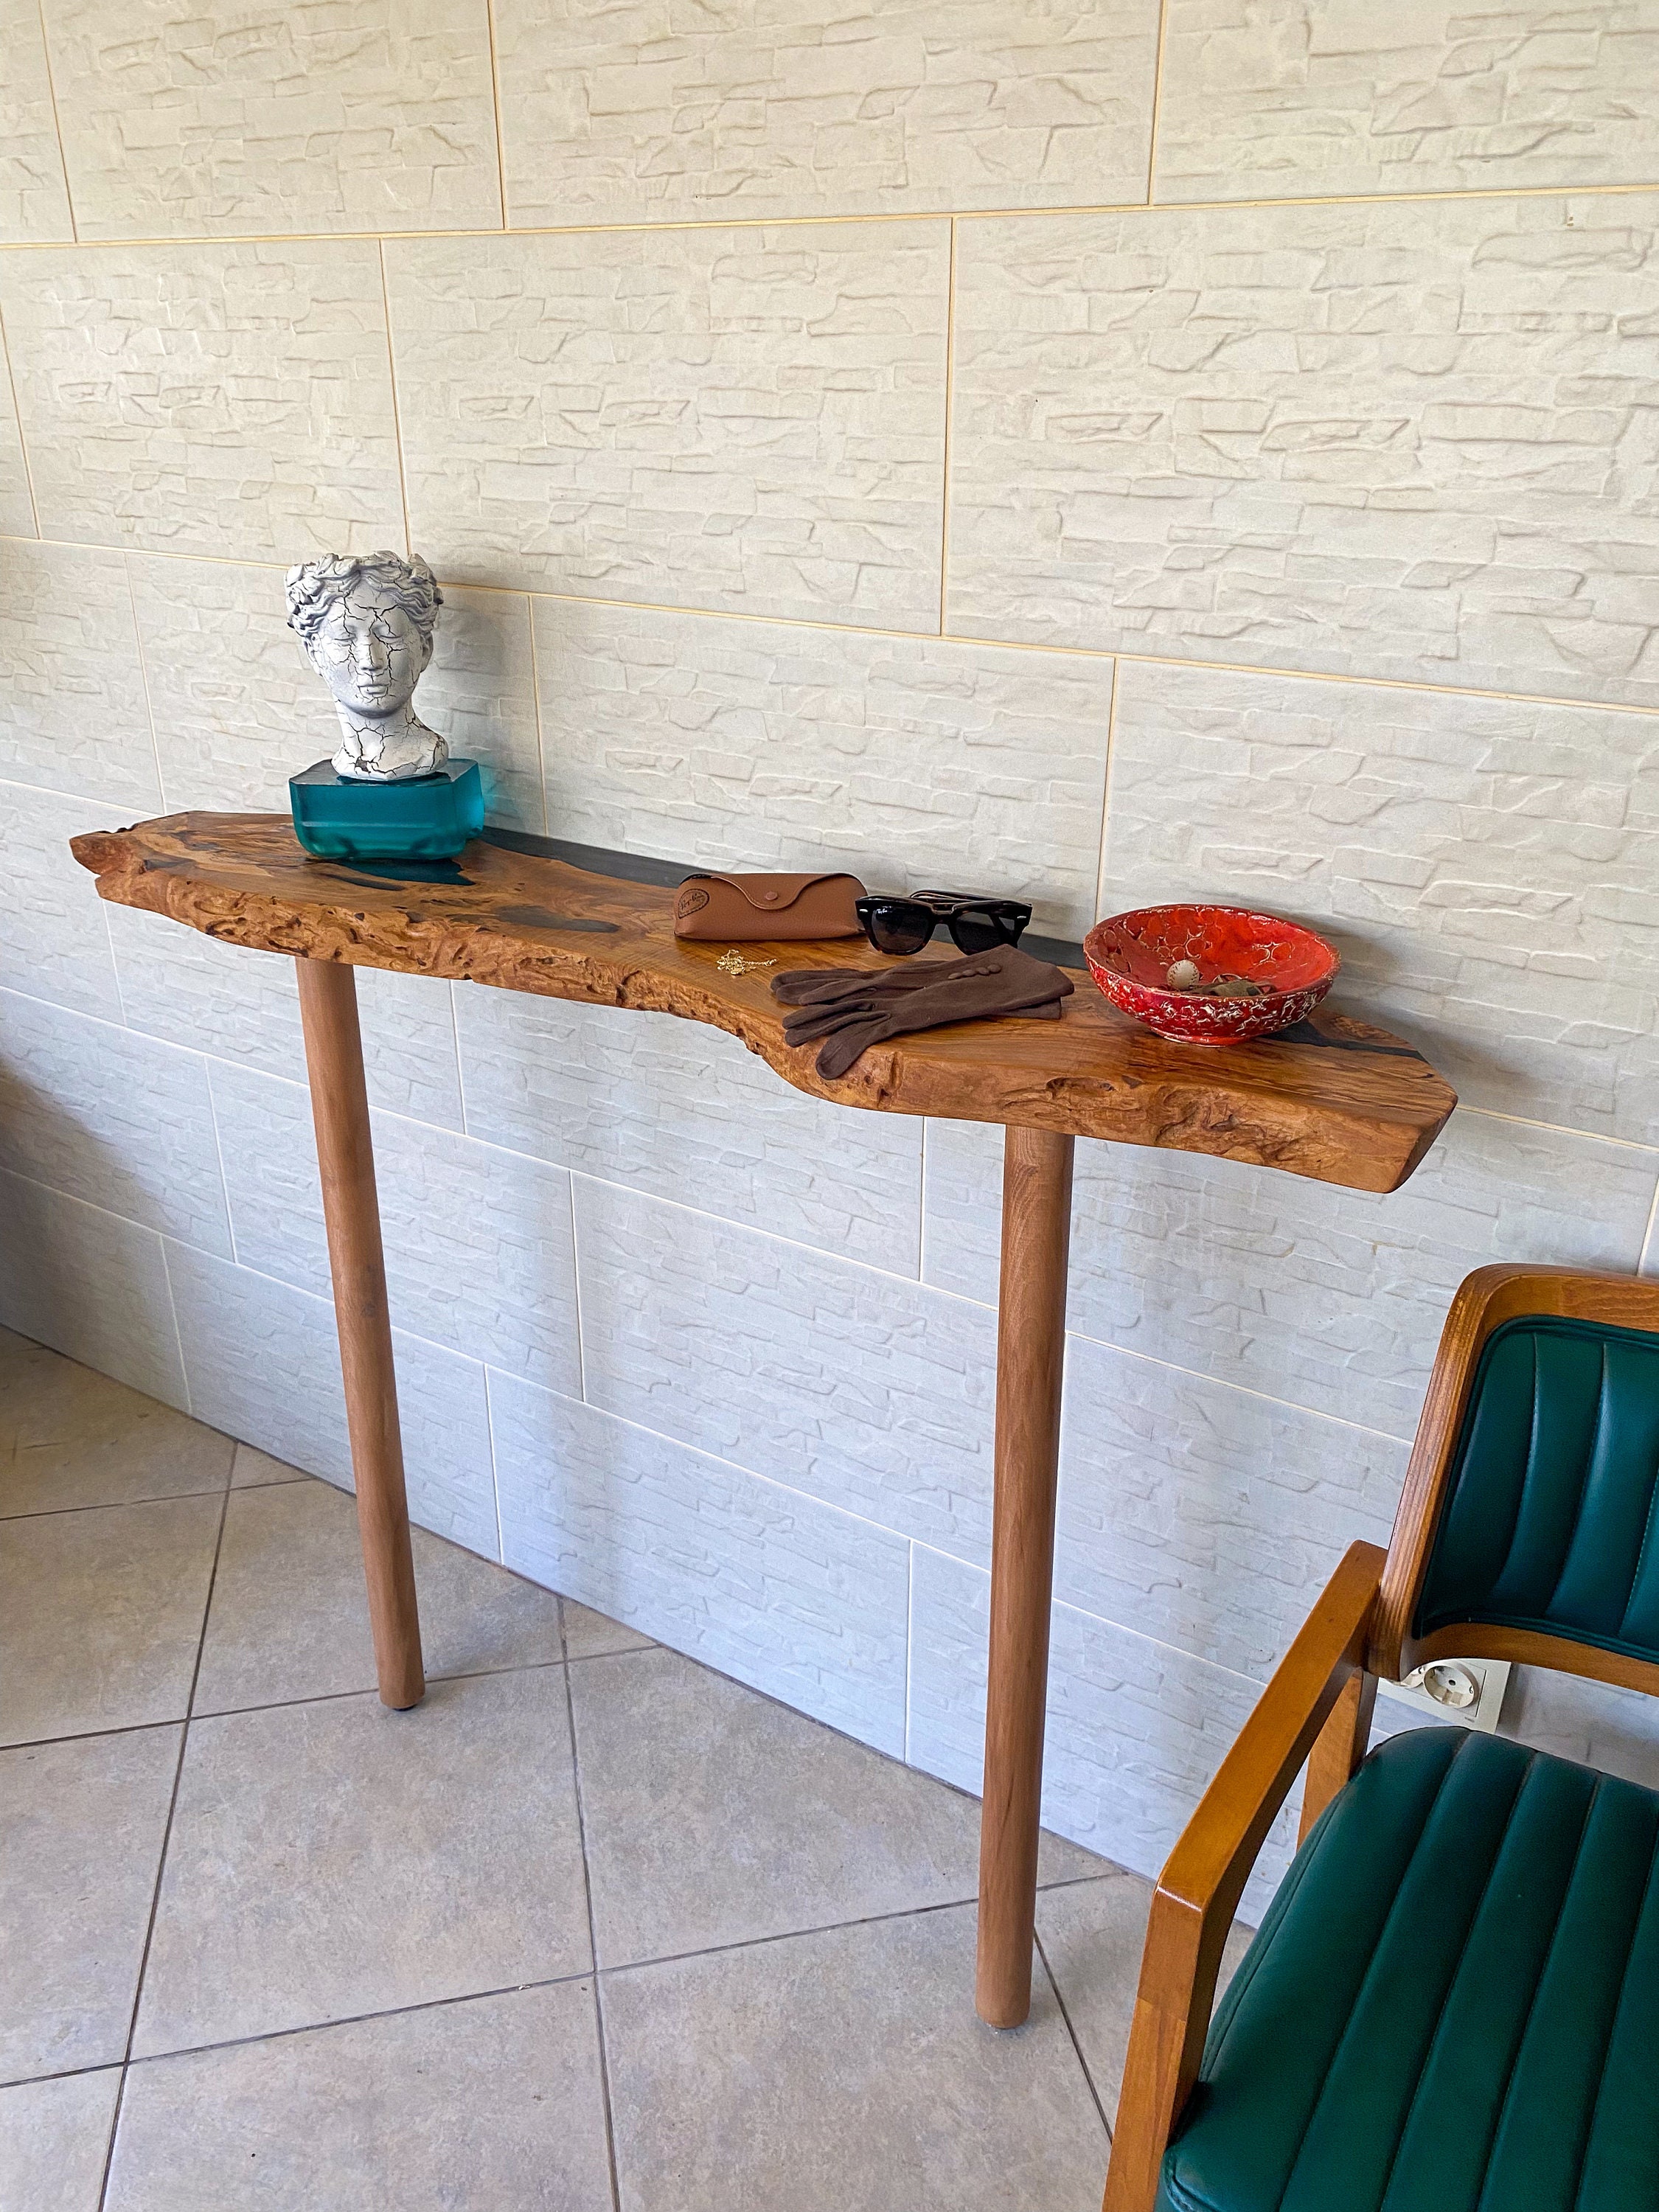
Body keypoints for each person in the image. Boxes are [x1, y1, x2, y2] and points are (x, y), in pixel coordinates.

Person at [285, 551, 448, 781]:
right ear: (314, 654)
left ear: (424, 650)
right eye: (344, 638)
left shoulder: (426, 756)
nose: (371, 661)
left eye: (389, 636)